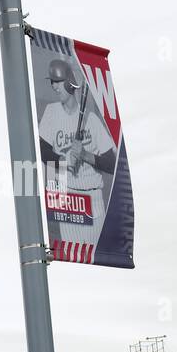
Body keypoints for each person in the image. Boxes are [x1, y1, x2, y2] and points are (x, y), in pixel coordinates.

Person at [37, 58, 116, 252]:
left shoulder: (91, 119)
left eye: (58, 81)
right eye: (52, 82)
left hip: (94, 198)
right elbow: (43, 151)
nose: (54, 87)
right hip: (69, 199)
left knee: (98, 257)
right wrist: (63, 161)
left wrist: (86, 156)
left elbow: (113, 163)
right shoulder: (51, 112)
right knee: (74, 258)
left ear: (69, 82)